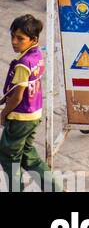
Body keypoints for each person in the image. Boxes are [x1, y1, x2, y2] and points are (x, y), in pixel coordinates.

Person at [0, 12, 62, 193]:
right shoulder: (36, 56)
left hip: (20, 117)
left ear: (33, 39)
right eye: (13, 36)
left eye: (20, 38)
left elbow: (18, 96)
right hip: (34, 114)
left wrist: (3, 114)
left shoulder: (22, 64)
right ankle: (55, 189)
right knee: (28, 156)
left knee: (9, 157)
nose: (14, 42)